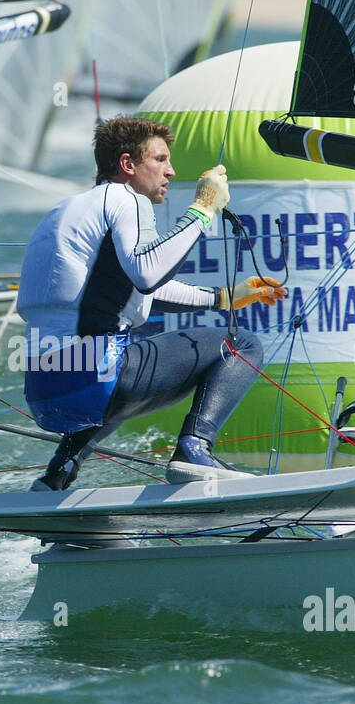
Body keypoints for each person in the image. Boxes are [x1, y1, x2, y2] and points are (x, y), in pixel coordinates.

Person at [17, 115, 285, 490]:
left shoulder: (65, 210)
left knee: (109, 355)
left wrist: (221, 297)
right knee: (241, 344)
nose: (171, 171)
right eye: (159, 159)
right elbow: (147, 273)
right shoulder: (127, 200)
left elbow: (133, 288)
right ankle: (195, 448)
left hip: (44, 393)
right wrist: (204, 208)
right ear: (128, 165)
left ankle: (58, 473)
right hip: (97, 380)